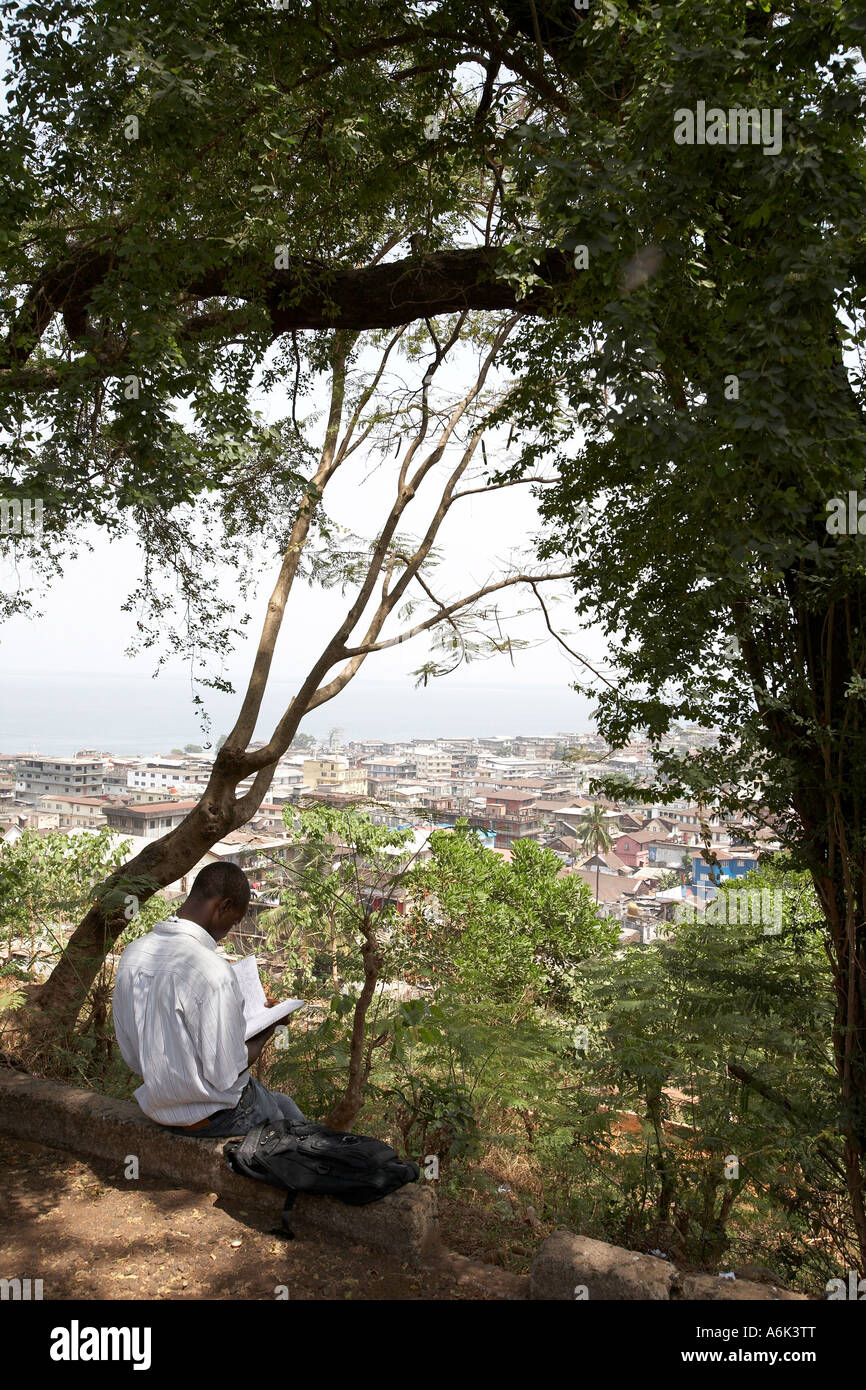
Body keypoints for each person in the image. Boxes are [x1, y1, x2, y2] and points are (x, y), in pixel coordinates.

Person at [113, 861, 305, 1136]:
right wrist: (269, 1028)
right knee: (293, 1132)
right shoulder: (213, 973)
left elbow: (133, 1056)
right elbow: (226, 1074)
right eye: (234, 920)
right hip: (214, 1116)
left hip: (159, 1107)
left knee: (284, 1103)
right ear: (223, 907)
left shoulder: (133, 954)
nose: (230, 929)